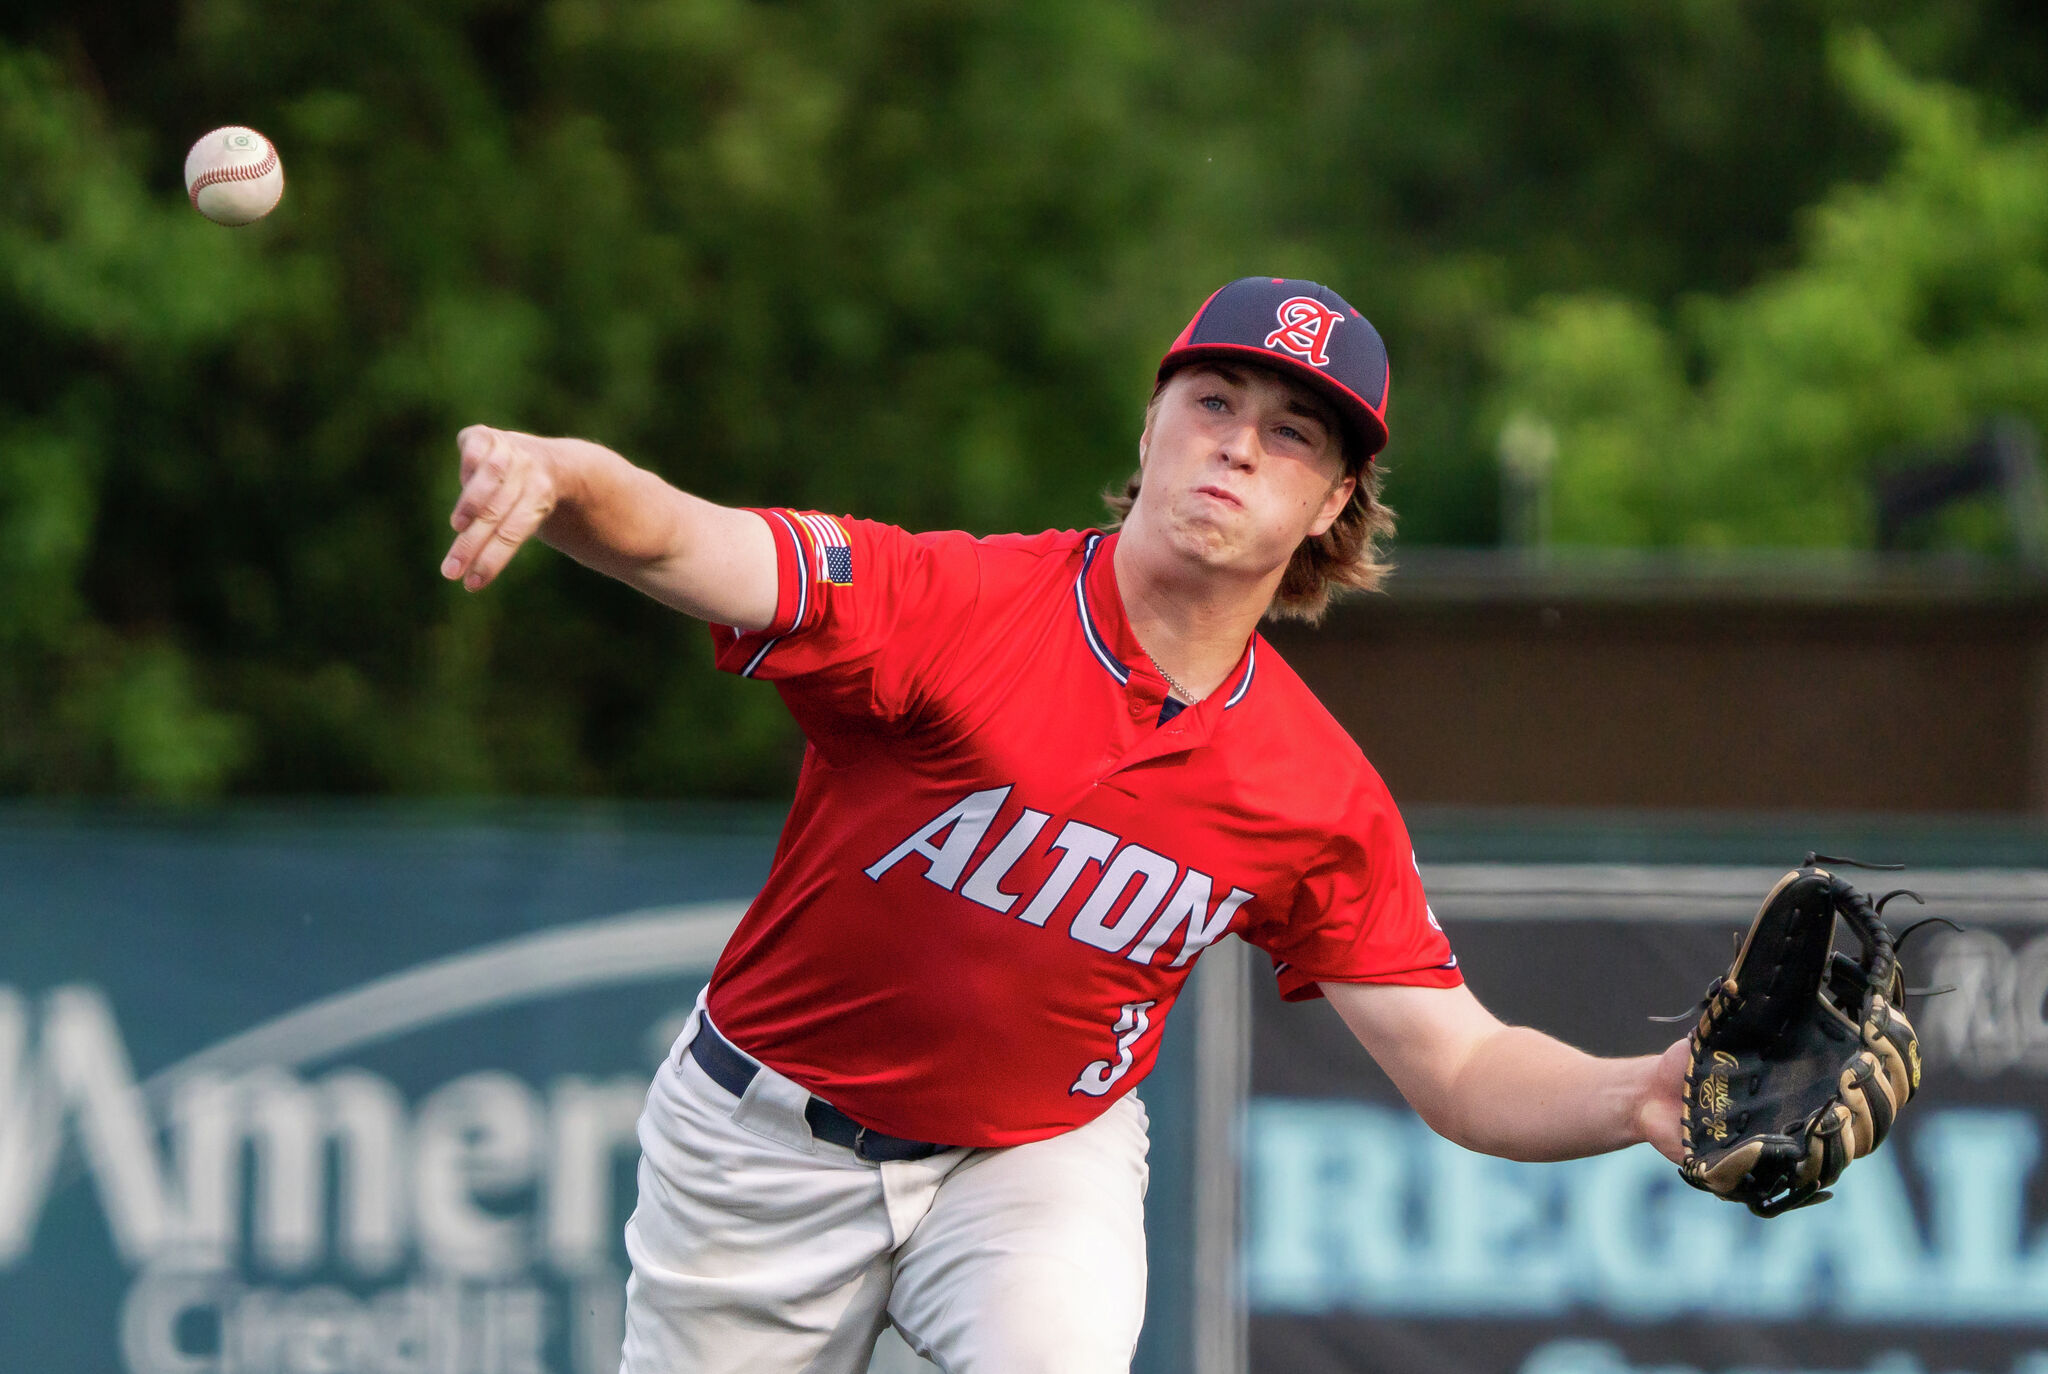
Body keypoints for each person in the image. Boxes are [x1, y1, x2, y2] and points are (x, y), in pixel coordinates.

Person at [439, 276, 1690, 1374]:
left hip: (1034, 1160)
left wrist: (1635, 1094)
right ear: (1148, 425)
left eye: (1291, 433)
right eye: (1211, 401)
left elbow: (1459, 1066)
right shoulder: (951, 603)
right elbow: (697, 545)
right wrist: (569, 477)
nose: (1238, 447)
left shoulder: (1311, 789)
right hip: (757, 1148)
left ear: (1330, 506)